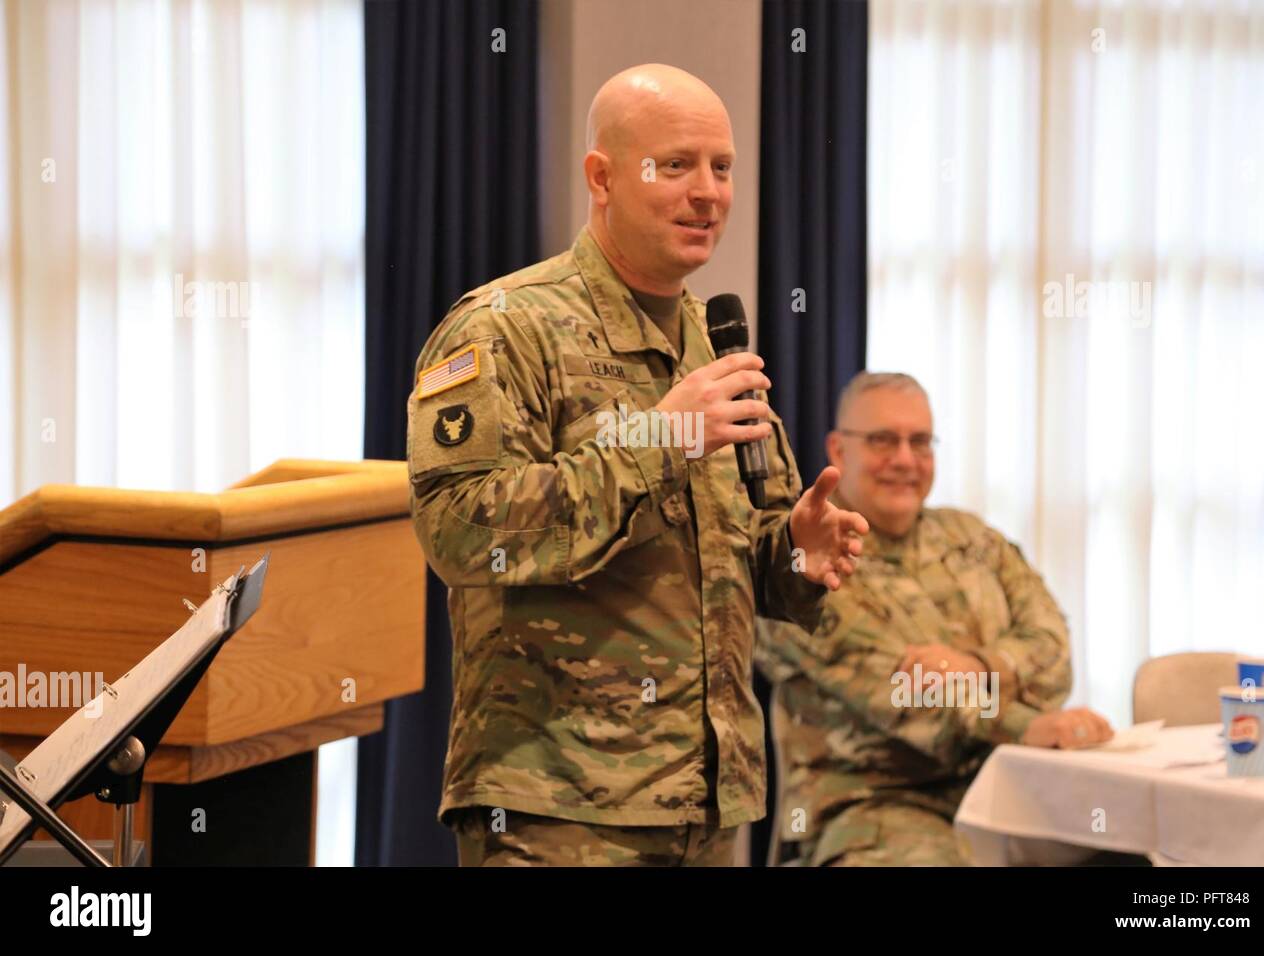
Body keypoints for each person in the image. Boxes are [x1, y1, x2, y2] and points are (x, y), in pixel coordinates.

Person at [406, 63, 869, 866]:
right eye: (677, 165)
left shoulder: (714, 341)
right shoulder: (505, 328)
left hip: (709, 806)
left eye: (722, 168)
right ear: (602, 176)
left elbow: (739, 561)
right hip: (557, 805)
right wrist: (655, 443)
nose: (709, 193)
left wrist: (797, 549)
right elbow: (459, 532)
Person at [757, 371, 1113, 866]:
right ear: (839, 450)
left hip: (1014, 789)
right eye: (883, 440)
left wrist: (977, 666)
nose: (905, 459)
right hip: (877, 810)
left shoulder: (974, 539)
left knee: (1138, 854)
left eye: (920, 441)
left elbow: (1055, 652)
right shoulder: (806, 562)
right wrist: (1023, 723)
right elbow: (908, 700)